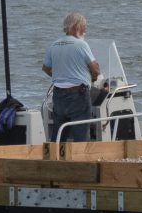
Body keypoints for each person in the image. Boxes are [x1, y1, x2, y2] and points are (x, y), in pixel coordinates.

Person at [41, 12, 101, 144]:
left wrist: (59, 76)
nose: (85, 29)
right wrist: (93, 78)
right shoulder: (81, 44)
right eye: (84, 26)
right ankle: (82, 161)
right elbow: (95, 69)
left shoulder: (54, 45)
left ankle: (54, 160)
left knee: (59, 132)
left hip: (58, 94)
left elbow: (45, 68)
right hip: (78, 94)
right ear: (77, 26)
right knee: (81, 133)